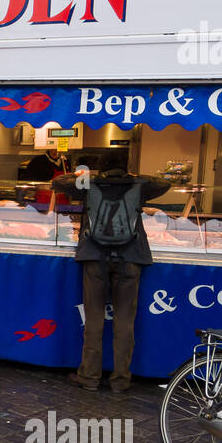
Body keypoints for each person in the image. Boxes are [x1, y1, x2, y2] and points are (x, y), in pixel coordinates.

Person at [52, 166, 170, 392]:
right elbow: (165, 184)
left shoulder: (89, 185)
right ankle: (120, 380)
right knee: (125, 321)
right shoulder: (139, 186)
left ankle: (89, 377)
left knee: (94, 319)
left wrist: (89, 176)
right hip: (130, 257)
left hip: (94, 257)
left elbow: (59, 182)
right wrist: (136, 178)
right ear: (127, 171)